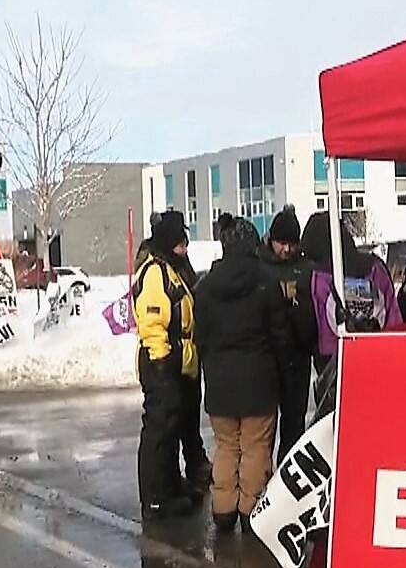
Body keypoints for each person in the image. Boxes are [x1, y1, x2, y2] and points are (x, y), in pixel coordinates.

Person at [194, 221, 293, 532]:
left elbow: (202, 337)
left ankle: (223, 510)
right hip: (259, 383)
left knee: (226, 447)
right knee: (255, 448)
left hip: (221, 385)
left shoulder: (207, 286)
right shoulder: (266, 281)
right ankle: (251, 511)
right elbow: (280, 335)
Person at [133, 210, 200, 520]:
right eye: (180, 244)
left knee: (172, 427)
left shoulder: (171, 270)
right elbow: (152, 322)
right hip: (161, 361)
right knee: (159, 430)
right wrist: (162, 364)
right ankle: (156, 498)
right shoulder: (155, 274)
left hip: (174, 361)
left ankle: (171, 486)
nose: (184, 250)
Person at [302, 211, 401, 371]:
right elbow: (393, 315)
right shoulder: (375, 267)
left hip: (333, 358)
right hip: (378, 352)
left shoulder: (317, 276)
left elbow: (309, 325)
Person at [258, 207, 316, 458]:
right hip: (268, 356)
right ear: (271, 240)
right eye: (282, 243)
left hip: (298, 356)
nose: (287, 250)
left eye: (291, 244)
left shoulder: (306, 267)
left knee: (294, 423)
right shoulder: (258, 267)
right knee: (264, 427)